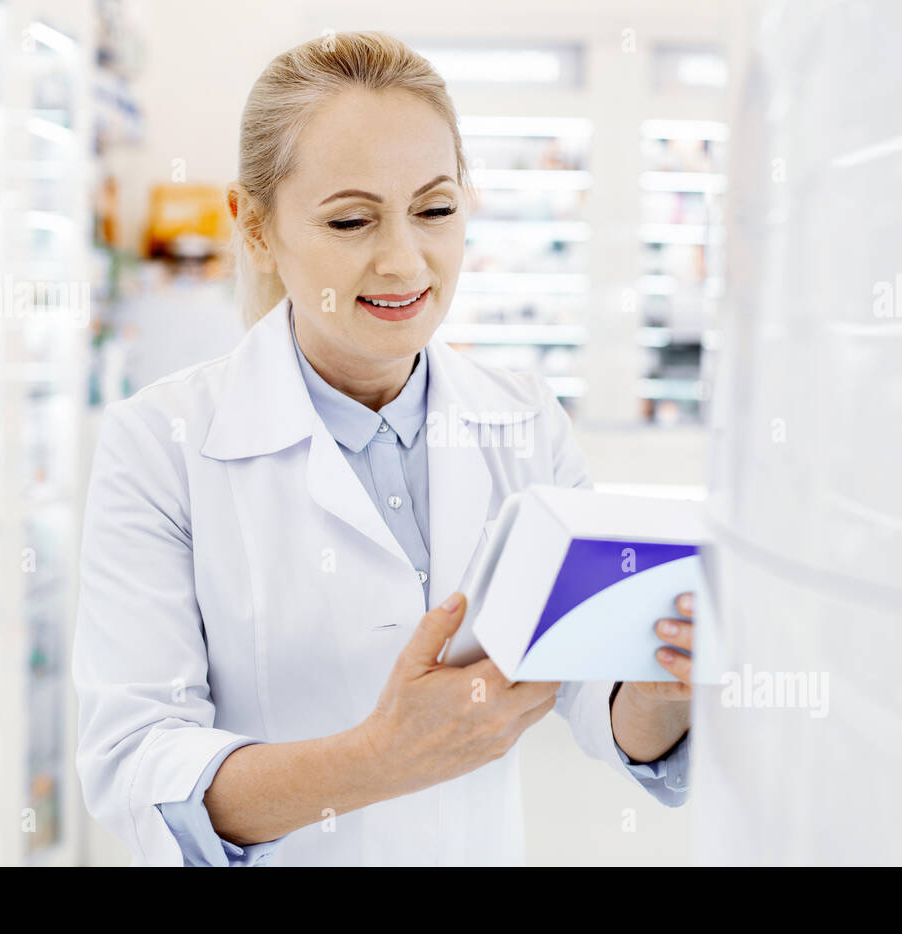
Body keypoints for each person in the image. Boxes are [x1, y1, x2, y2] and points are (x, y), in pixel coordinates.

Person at [72, 30, 695, 867]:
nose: (404, 261)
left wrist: (662, 688)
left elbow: (586, 683)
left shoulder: (524, 420)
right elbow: (138, 761)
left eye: (435, 210)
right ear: (254, 227)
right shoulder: (162, 444)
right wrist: (379, 760)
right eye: (352, 219)